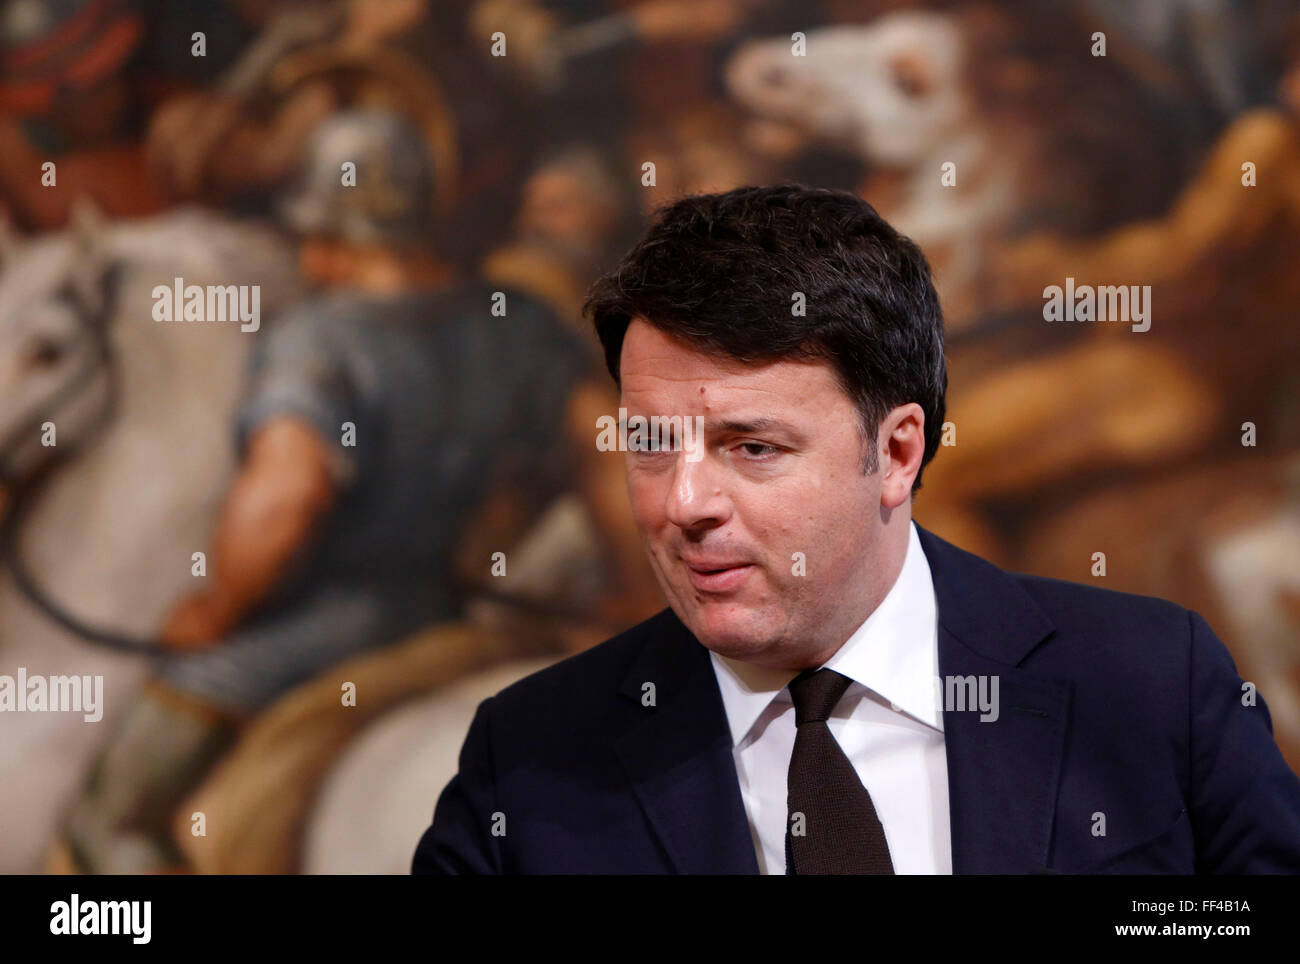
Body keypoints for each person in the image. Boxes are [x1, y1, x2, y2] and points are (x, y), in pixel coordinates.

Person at [412, 183, 1300, 874]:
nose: (683, 504)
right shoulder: (529, 759)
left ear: (899, 451)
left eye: (751, 447)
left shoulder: (1151, 688)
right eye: (649, 444)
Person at [59, 108, 592, 873]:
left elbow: (286, 501)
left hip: (324, 635)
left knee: (114, 811)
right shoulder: (518, 327)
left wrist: (212, 610)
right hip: (449, 620)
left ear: (327, 229)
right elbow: (607, 457)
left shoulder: (319, 340)